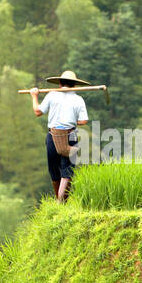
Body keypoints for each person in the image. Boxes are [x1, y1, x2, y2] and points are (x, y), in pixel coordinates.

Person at [31, 70, 90, 202]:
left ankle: (59, 200)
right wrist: (73, 120)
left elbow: (37, 112)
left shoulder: (52, 95)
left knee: (54, 170)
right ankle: (61, 203)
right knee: (67, 171)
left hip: (52, 136)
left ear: (60, 84)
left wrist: (34, 96)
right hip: (70, 136)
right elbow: (84, 120)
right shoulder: (78, 99)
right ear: (74, 85)